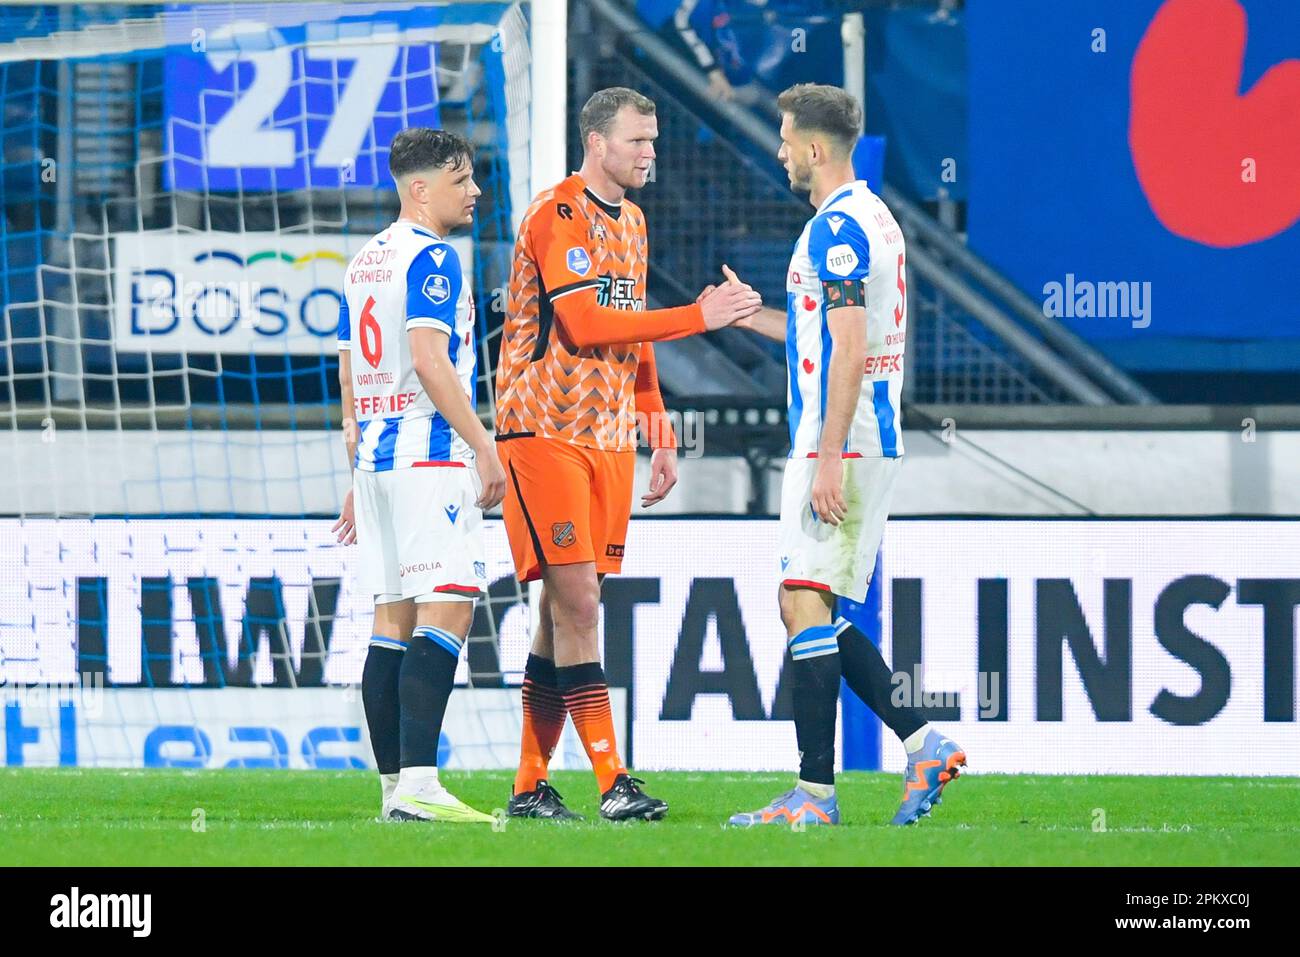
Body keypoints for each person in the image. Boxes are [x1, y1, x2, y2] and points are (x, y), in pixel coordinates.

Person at [494, 87, 763, 821]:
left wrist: (660, 426)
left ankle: (527, 787)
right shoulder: (559, 215)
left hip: (608, 436)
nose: (651, 152)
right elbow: (582, 324)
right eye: (638, 140)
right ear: (596, 143)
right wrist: (701, 318)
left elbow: (632, 333)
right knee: (579, 600)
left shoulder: (633, 222)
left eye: (653, 140)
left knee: (566, 608)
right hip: (544, 427)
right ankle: (614, 782)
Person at [724, 84, 966, 827]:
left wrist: (828, 456)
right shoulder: (866, 218)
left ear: (816, 148)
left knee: (801, 600)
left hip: (844, 440)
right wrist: (750, 314)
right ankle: (922, 741)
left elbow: (851, 347)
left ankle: (817, 796)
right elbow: (823, 335)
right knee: (808, 604)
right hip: (853, 437)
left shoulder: (838, 230)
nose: (781, 150)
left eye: (787, 138)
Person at [333, 127, 507, 823]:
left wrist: (356, 463)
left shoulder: (364, 261)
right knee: (448, 610)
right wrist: (485, 445)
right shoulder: (434, 258)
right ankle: (421, 784)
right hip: (429, 461)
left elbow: (349, 369)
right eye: (462, 180)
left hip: (378, 466)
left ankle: (393, 791)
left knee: (390, 624)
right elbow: (430, 361)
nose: (476, 192)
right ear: (421, 188)